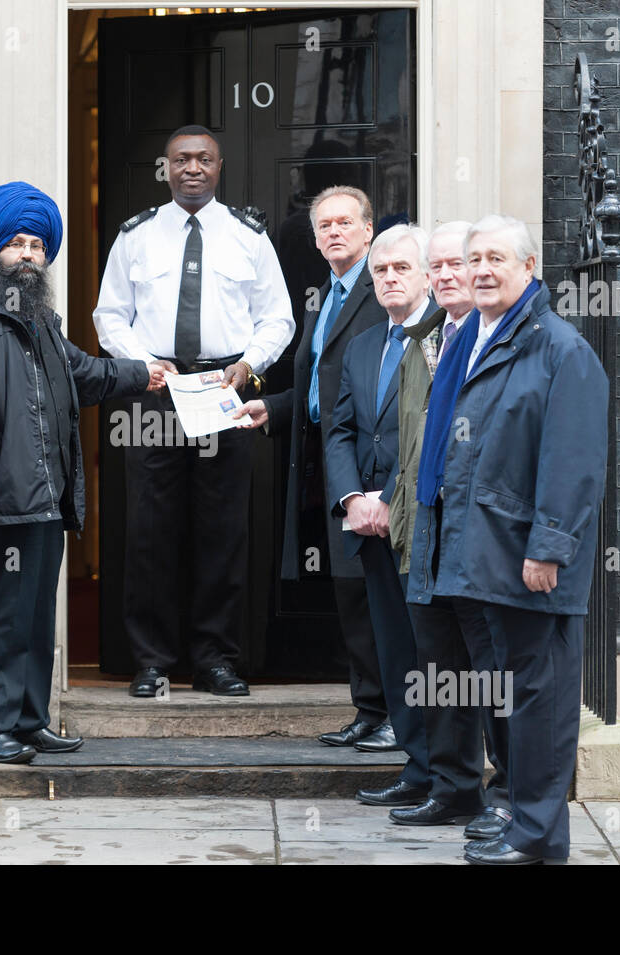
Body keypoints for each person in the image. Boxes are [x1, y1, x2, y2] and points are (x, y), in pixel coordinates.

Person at [407, 214, 608, 865]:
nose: (483, 269)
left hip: (529, 560)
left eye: (498, 257)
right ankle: (520, 817)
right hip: (482, 554)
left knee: (540, 703)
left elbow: (573, 460)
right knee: (511, 698)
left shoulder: (560, 348)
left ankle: (538, 836)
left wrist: (548, 545)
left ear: (529, 268)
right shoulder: (479, 338)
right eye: (476, 259)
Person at [0, 181, 168, 762]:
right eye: (16, 243)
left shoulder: (45, 321)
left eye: (35, 245)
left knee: (34, 615)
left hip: (47, 497)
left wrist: (145, 373)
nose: (27, 254)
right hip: (1, 495)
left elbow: (88, 376)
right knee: (1, 612)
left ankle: (29, 720)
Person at [93, 124, 293, 698]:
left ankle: (216, 660)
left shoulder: (248, 237)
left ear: (219, 165)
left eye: (203, 159)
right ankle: (152, 661)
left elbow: (278, 317)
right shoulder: (136, 236)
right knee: (150, 531)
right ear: (166, 167)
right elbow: (109, 316)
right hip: (157, 389)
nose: (192, 168)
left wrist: (250, 366)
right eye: (181, 159)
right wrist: (144, 364)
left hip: (224, 387)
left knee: (222, 530)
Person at [235, 186, 396, 751]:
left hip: (368, 463)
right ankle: (370, 710)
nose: (333, 232)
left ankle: (400, 716)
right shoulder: (324, 295)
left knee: (381, 597)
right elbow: (316, 388)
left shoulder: (382, 293)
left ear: (368, 230)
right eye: (323, 225)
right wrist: (272, 409)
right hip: (324, 459)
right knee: (351, 593)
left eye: (345, 223)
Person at [383, 221, 511, 835]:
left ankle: (509, 792)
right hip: (426, 528)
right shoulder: (424, 341)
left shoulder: (500, 337)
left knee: (492, 668)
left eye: (456, 263)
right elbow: (411, 447)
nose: (446, 275)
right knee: (440, 669)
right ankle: (454, 786)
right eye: (435, 267)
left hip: (478, 532)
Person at [325, 224, 439, 808]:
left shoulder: (443, 339)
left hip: (419, 524)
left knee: (432, 655)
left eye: (401, 269)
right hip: (366, 525)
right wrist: (352, 499)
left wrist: (391, 501)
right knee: (394, 652)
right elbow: (341, 429)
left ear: (425, 275)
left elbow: (432, 437)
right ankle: (417, 770)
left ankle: (449, 778)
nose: (390, 278)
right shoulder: (364, 344)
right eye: (381, 271)